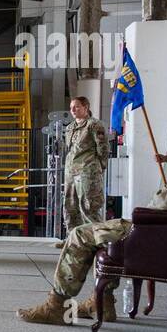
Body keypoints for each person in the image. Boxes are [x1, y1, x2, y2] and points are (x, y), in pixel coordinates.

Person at [19, 96, 167, 325]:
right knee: (99, 230)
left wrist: (141, 214)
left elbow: (162, 205)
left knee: (80, 234)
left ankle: (55, 305)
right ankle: (101, 302)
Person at [61, 96, 110, 238]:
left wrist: (100, 167)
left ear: (86, 107)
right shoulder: (70, 128)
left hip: (88, 172)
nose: (73, 110)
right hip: (71, 173)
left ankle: (97, 240)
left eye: (76, 107)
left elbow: (103, 148)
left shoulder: (94, 125)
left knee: (88, 207)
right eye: (71, 108)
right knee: (70, 207)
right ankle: (74, 241)